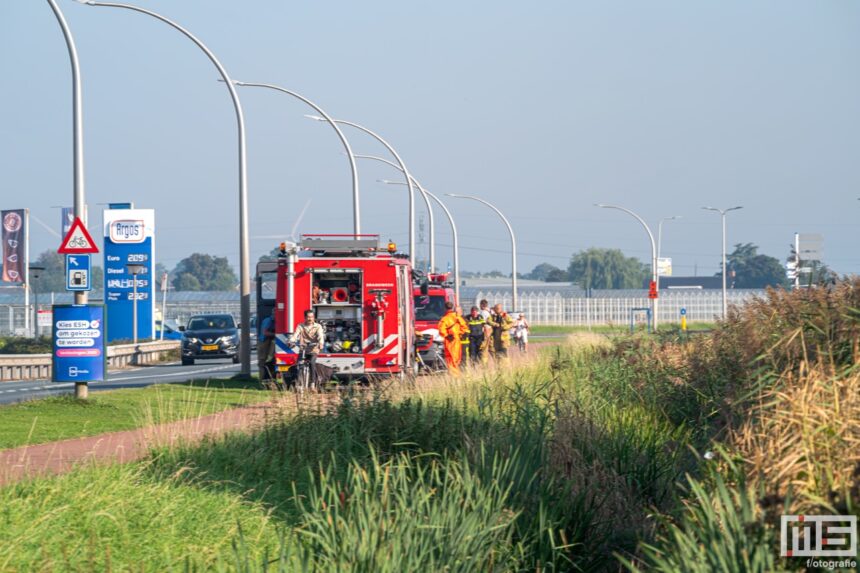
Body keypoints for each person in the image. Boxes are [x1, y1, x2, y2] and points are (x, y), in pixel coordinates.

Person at [289, 309, 326, 386]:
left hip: (314, 349)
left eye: (312, 317)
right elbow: (295, 335)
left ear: (314, 317)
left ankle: (312, 383)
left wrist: (321, 343)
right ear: (305, 318)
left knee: (312, 363)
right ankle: (299, 383)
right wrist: (291, 341)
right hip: (303, 349)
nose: (310, 319)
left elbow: (320, 336)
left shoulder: (318, 326)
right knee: (299, 364)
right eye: (308, 317)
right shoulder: (300, 326)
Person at [437, 301, 467, 376]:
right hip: (457, 340)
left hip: (449, 341)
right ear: (452, 307)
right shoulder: (457, 317)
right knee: (457, 358)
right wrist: (458, 333)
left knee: (450, 358)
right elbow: (464, 327)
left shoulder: (445, 318)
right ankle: (456, 374)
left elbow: (441, 330)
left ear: (445, 308)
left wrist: (447, 335)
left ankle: (455, 375)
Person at [257, 313, 276, 381]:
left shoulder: (273, 321)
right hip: (264, 342)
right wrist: (276, 334)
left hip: (269, 341)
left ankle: (269, 377)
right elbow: (265, 332)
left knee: (269, 360)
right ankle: (262, 379)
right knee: (263, 360)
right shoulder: (268, 321)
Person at [478, 299, 493, 364]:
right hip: (490, 331)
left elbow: (484, 324)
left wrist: (486, 335)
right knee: (491, 348)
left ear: (481, 305)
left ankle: (484, 364)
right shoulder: (489, 311)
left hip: (486, 331)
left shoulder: (483, 313)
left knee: (484, 349)